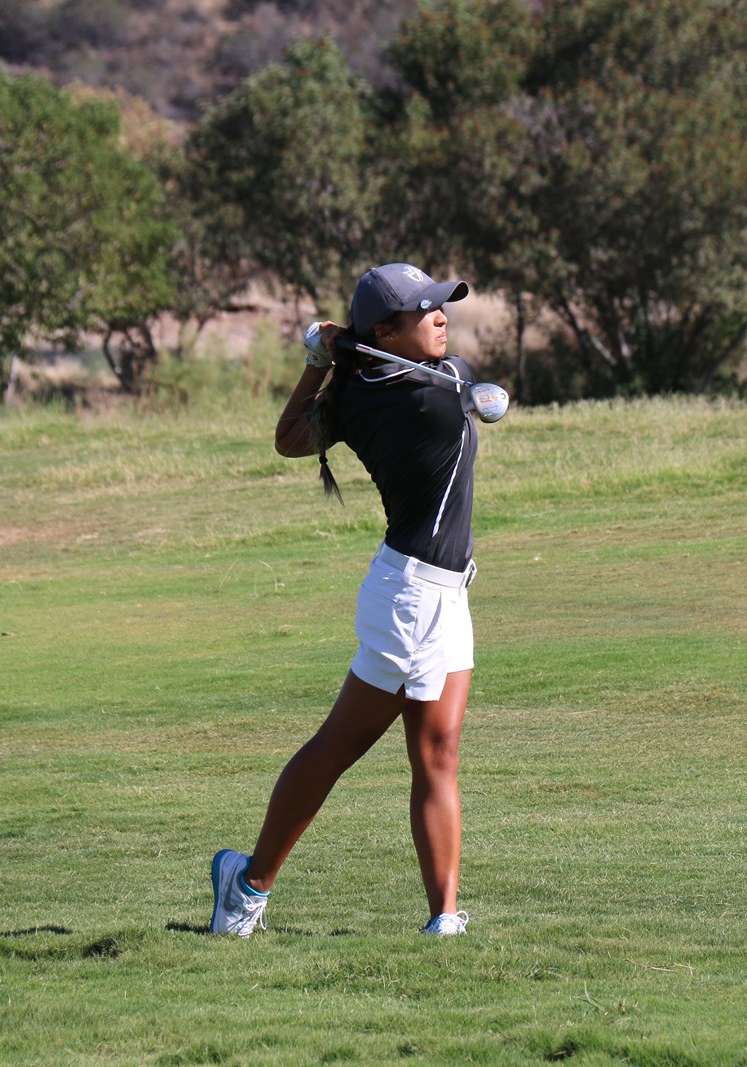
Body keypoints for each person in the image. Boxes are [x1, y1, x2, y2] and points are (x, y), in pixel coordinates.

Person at [209, 262, 484, 938]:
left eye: (442, 306)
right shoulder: (419, 395)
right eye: (427, 311)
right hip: (409, 599)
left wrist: (320, 361)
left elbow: (295, 432)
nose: (442, 317)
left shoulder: (379, 383)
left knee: (439, 752)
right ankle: (245, 887)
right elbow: (291, 440)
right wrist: (327, 360)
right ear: (385, 332)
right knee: (338, 746)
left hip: (446, 595)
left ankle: (443, 919)